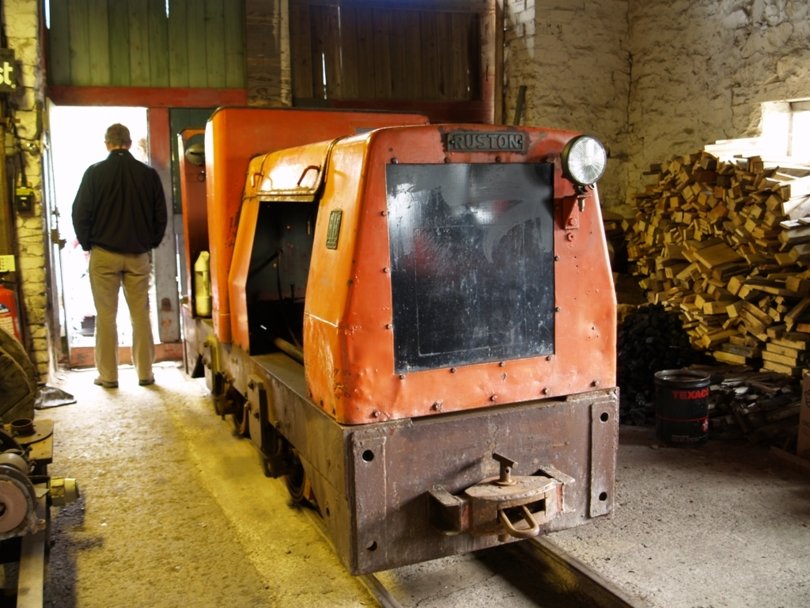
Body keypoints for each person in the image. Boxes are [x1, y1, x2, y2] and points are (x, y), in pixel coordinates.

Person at [72, 123, 167, 388]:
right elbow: (160, 215)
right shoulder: (148, 174)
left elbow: (79, 213)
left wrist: (88, 243)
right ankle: (145, 374)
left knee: (105, 317)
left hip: (104, 254)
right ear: (129, 144)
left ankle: (109, 376)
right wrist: (150, 242)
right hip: (138, 255)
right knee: (140, 315)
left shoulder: (94, 173)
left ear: (107, 144)